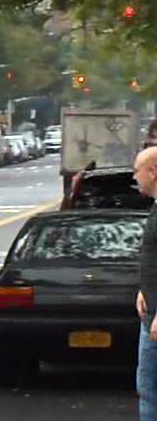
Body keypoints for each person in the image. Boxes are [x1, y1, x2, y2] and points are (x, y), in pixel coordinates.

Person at [134, 147, 157, 421]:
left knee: (150, 391)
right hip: (149, 312)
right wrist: (145, 290)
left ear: (153, 172)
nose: (134, 176)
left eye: (137, 170)